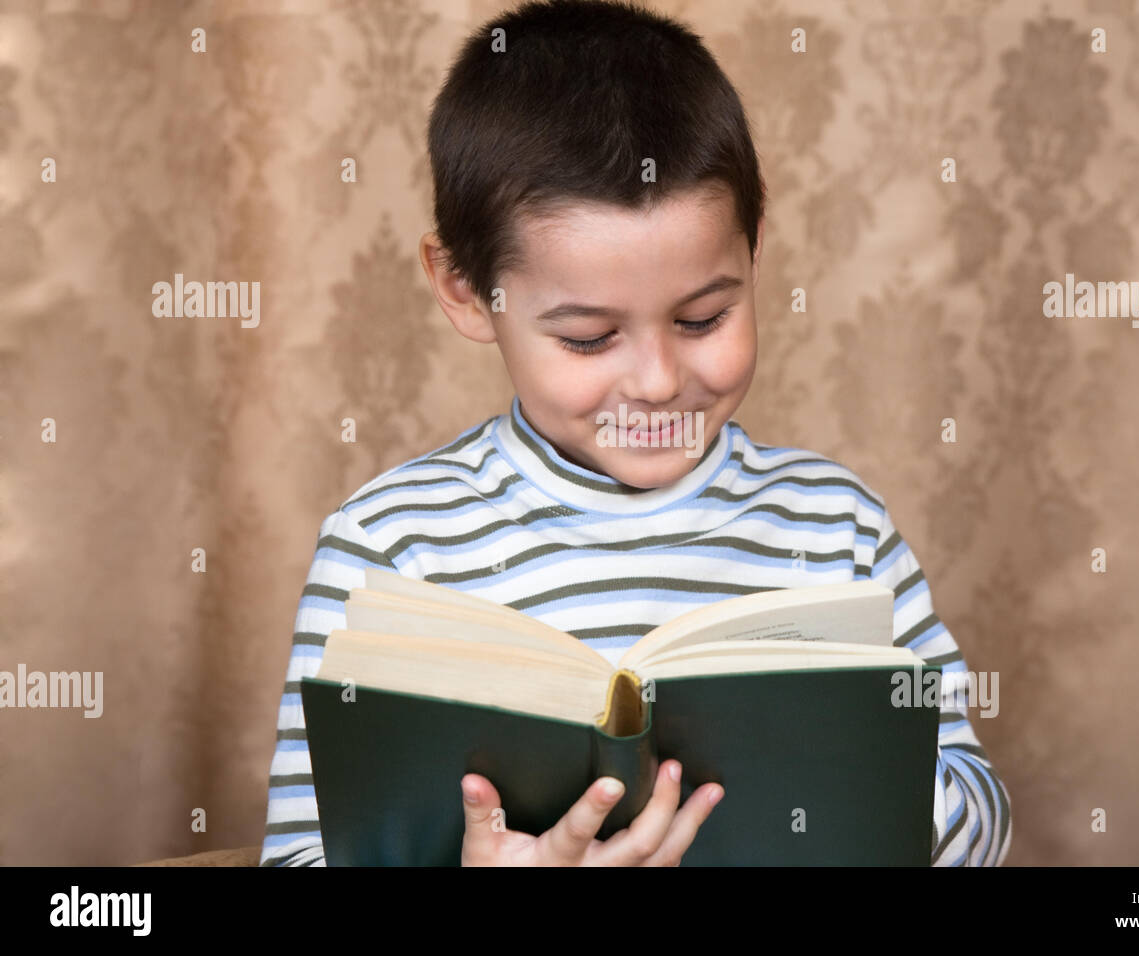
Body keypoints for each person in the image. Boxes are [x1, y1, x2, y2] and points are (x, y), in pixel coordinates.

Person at [259, 0, 1011, 867]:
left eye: (705, 316)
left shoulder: (838, 526)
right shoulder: (389, 545)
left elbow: (983, 821)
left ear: (755, 248)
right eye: (588, 337)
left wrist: (853, 768)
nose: (657, 383)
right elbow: (298, 856)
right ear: (466, 289)